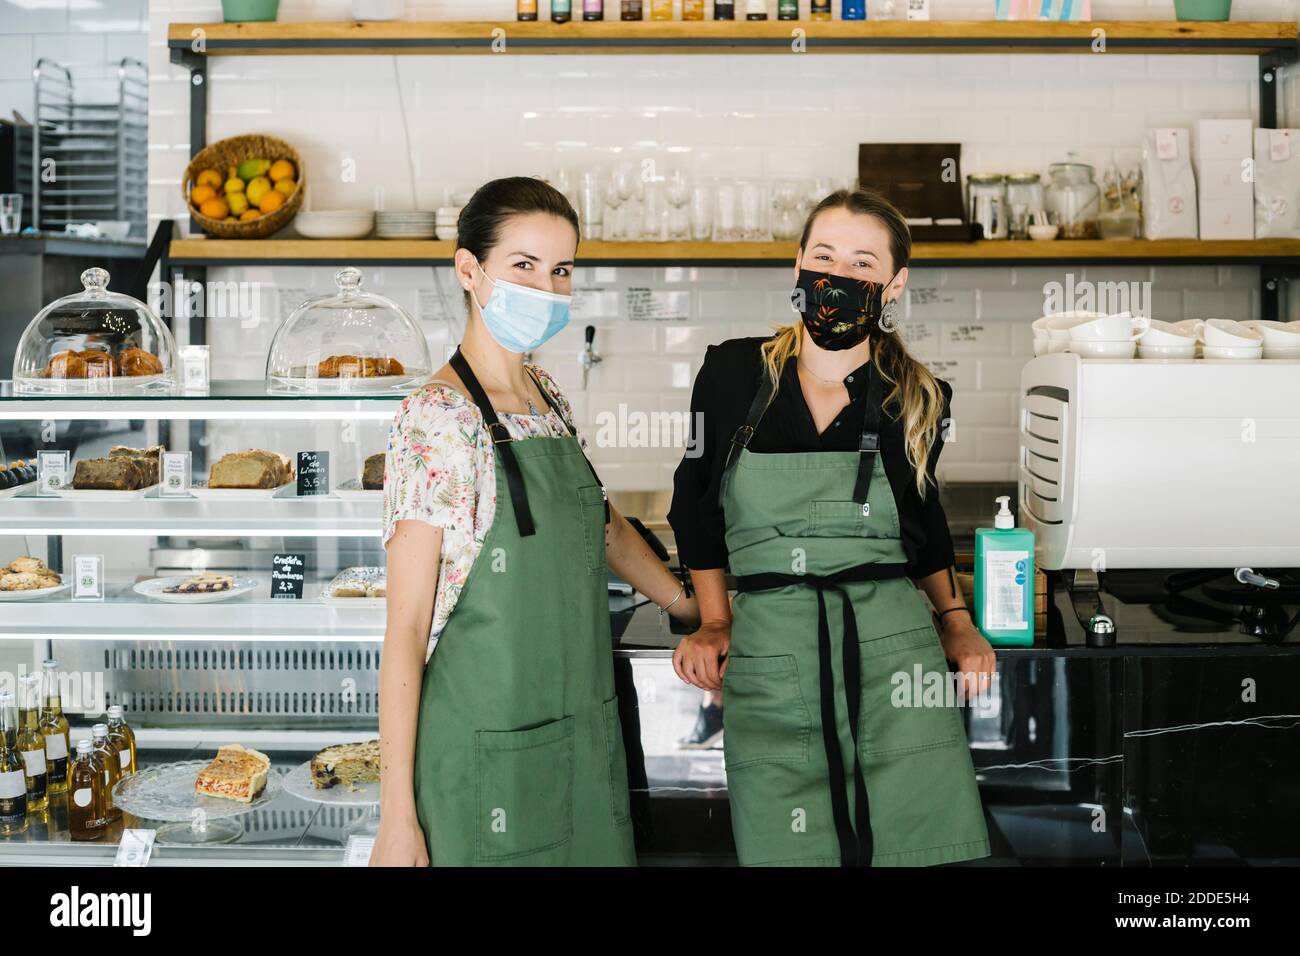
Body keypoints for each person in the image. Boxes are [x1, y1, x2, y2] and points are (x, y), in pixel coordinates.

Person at [372, 176, 699, 867]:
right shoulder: (438, 417)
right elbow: (403, 631)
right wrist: (396, 818)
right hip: (484, 754)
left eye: (562, 270)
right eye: (523, 266)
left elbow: (603, 526)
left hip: (577, 738)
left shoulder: (543, 393)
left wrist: (687, 604)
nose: (546, 289)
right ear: (469, 269)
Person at [668, 188, 993, 867]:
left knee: (913, 843)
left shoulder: (918, 396)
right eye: (823, 256)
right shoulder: (731, 372)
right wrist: (714, 618)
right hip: (772, 654)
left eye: (862, 263)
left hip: (892, 659)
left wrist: (956, 620)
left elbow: (922, 525)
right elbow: (694, 505)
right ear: (797, 265)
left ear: (894, 283)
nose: (837, 277)